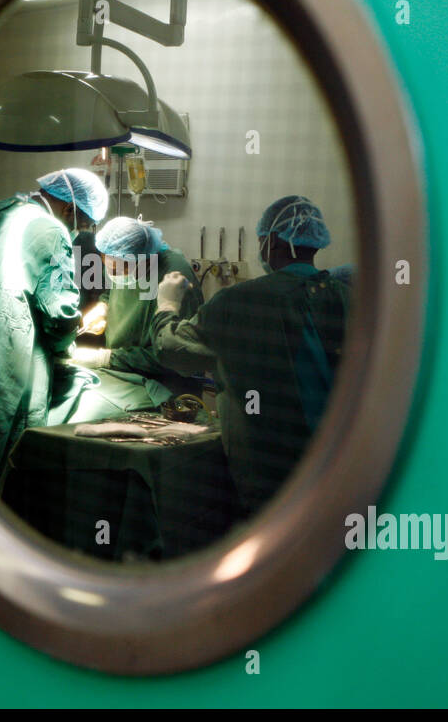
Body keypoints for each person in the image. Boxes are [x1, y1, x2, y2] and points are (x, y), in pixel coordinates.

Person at [150, 195, 351, 515]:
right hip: (338, 465)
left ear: (272, 241)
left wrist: (167, 306)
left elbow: (171, 349)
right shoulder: (342, 294)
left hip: (270, 475)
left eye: (261, 239)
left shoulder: (241, 302)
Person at [0, 168, 109, 488]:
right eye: (79, 223)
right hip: (2, 377)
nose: (75, 230)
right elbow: (60, 314)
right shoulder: (52, 231)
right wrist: (76, 329)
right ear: (69, 208)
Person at [73, 216, 203, 396]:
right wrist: (103, 306)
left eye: (118, 270)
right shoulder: (120, 260)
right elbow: (113, 288)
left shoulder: (175, 277)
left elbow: (179, 355)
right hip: (124, 372)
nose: (113, 274)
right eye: (107, 267)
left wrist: (108, 358)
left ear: (145, 259)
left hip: (166, 386)